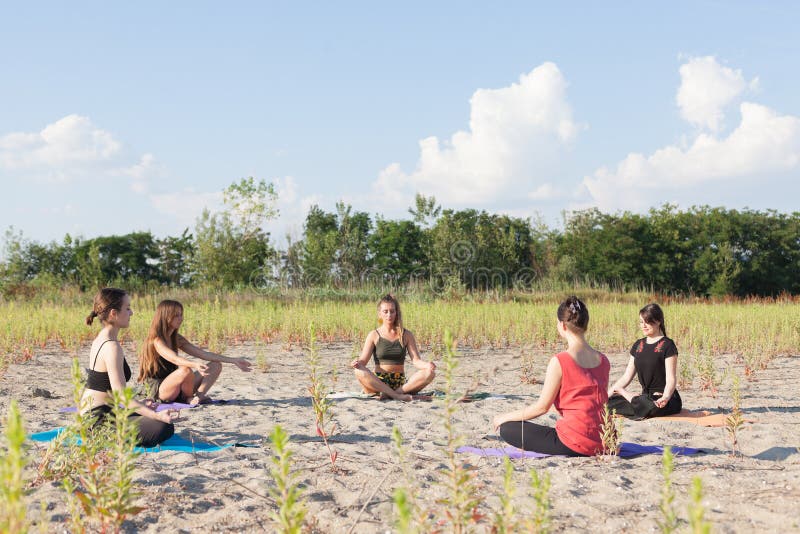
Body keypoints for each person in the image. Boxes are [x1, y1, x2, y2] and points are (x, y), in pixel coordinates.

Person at [492, 296, 610, 456]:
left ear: (562, 325)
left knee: (508, 429)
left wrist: (503, 417)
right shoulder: (603, 360)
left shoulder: (560, 361)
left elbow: (542, 407)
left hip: (576, 442)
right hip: (605, 440)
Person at [80, 288, 174, 448]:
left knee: (149, 414)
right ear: (113, 314)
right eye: (128, 308)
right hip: (97, 421)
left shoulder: (102, 338)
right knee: (163, 427)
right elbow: (121, 396)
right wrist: (155, 415)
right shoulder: (111, 347)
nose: (132, 313)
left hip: (102, 412)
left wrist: (141, 405)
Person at [137, 299, 252, 405]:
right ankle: (188, 398)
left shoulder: (176, 338)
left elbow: (204, 354)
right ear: (165, 316)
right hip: (159, 389)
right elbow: (174, 359)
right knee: (185, 370)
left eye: (181, 314)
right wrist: (194, 365)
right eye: (176, 315)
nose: (180, 318)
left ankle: (198, 397)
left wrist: (233, 360)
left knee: (215, 365)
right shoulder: (156, 340)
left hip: (177, 385)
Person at [350, 294, 436, 401]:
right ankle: (396, 396)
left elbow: (416, 360)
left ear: (396, 313)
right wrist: (356, 363)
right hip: (378, 383)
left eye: (392, 311)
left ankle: (392, 394)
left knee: (430, 373)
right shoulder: (374, 335)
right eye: (385, 311)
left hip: (400, 385)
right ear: (380, 314)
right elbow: (363, 361)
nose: (389, 315)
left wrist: (427, 365)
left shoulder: (406, 335)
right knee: (358, 370)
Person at [607, 303, 682, 419]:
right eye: (641, 322)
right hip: (644, 397)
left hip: (664, 399)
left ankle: (630, 397)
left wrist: (666, 397)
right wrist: (607, 395)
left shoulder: (668, 345)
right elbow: (626, 376)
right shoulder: (638, 345)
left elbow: (671, 378)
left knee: (651, 405)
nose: (644, 326)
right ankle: (632, 399)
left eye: (647, 322)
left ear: (658, 321)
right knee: (609, 402)